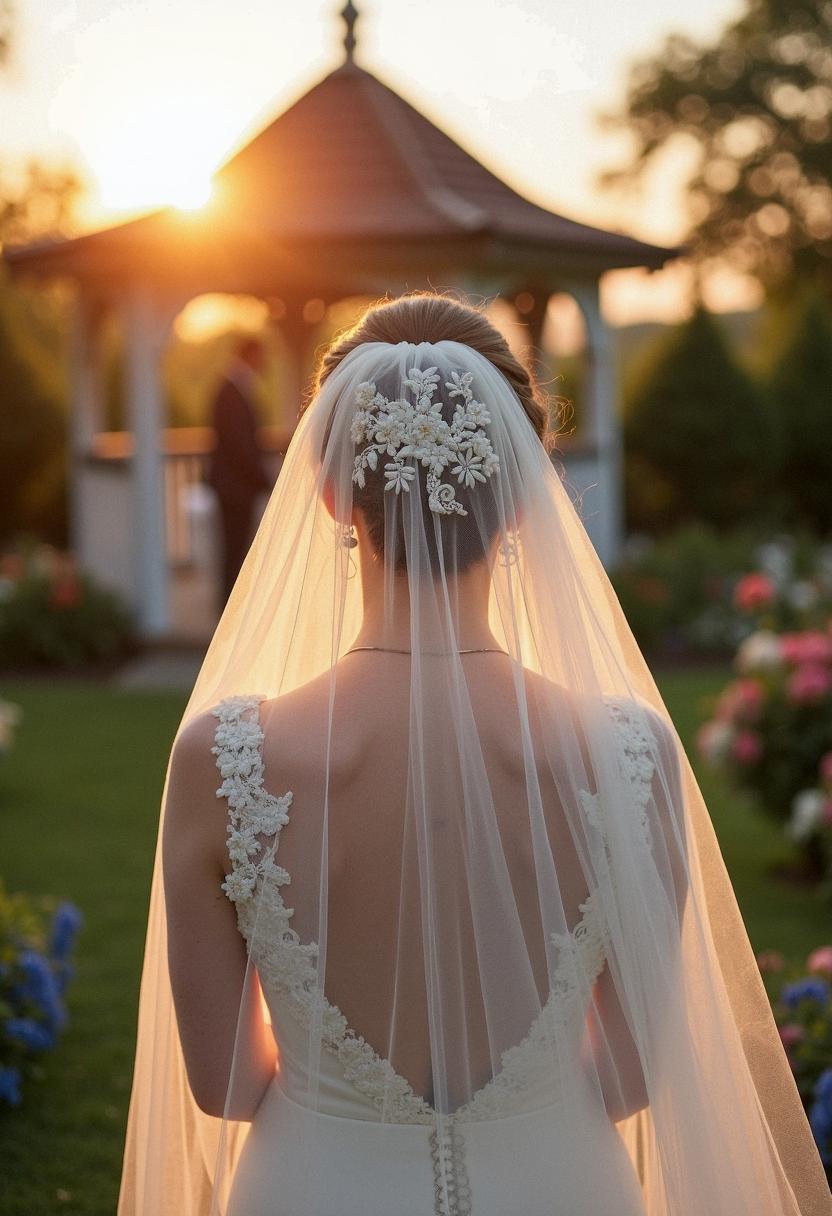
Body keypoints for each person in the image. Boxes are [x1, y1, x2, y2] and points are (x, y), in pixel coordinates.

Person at [118, 294, 832, 1216]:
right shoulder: (633, 753)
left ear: (331, 491)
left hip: (314, 1187)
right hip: (561, 1184)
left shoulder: (223, 757)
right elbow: (631, 1079)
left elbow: (220, 1086)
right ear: (526, 496)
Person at [206, 335, 273, 609]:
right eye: (261, 356)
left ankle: (232, 602)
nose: (265, 363)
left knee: (237, 545)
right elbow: (238, 443)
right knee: (233, 547)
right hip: (234, 487)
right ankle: (228, 605)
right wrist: (263, 477)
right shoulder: (230, 391)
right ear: (251, 355)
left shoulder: (236, 388)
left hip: (237, 486)